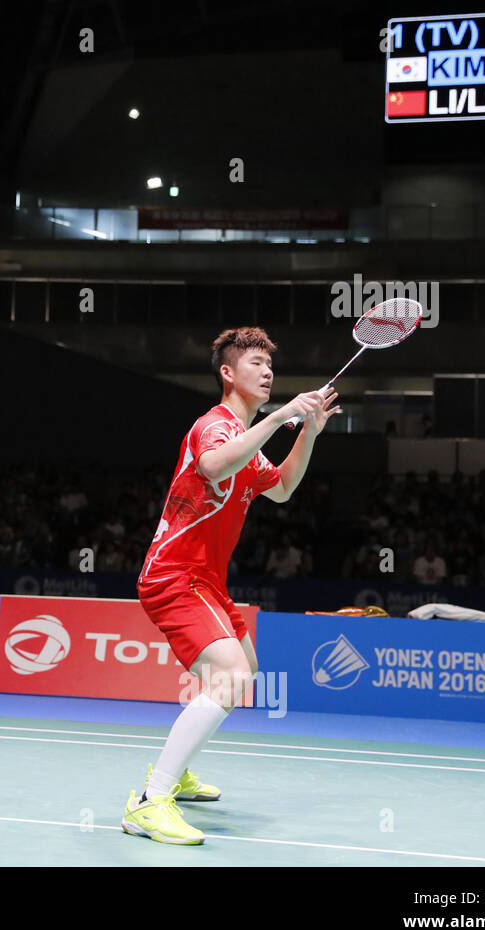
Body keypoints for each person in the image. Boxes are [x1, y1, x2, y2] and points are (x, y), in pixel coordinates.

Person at [122, 327, 338, 845]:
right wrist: (281, 416)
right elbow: (214, 464)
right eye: (257, 363)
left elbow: (283, 488)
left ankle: (181, 763)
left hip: (205, 581)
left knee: (244, 671)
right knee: (230, 673)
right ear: (228, 373)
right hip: (174, 575)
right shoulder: (214, 427)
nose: (267, 372)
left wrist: (307, 432)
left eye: (270, 365)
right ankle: (151, 802)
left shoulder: (247, 441)